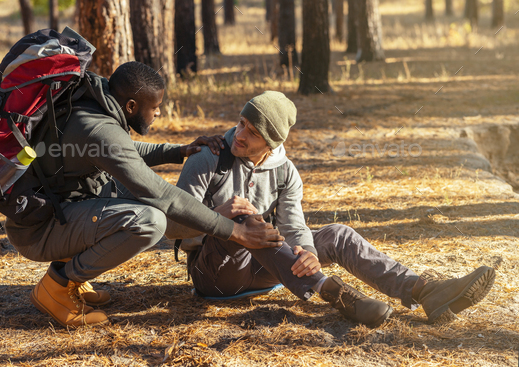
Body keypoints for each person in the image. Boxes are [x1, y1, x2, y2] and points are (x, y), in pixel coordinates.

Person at [165, 91, 496, 328]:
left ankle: (426, 291)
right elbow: (173, 228)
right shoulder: (208, 157)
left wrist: (307, 251)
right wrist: (219, 216)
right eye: (241, 123)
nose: (240, 135)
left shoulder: (285, 172)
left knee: (338, 234)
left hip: (270, 270)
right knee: (244, 216)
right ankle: (331, 292)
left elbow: (293, 226)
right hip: (215, 276)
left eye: (253, 133)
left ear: (272, 143)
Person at [5, 62, 284, 328]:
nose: (159, 113)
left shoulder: (95, 102)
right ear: (131, 106)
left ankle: (73, 275)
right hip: (39, 231)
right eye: (156, 107)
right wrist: (234, 231)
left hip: (53, 210)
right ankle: (57, 285)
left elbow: (123, 151)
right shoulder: (99, 130)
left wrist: (178, 151)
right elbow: (163, 195)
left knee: (123, 190)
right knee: (149, 220)